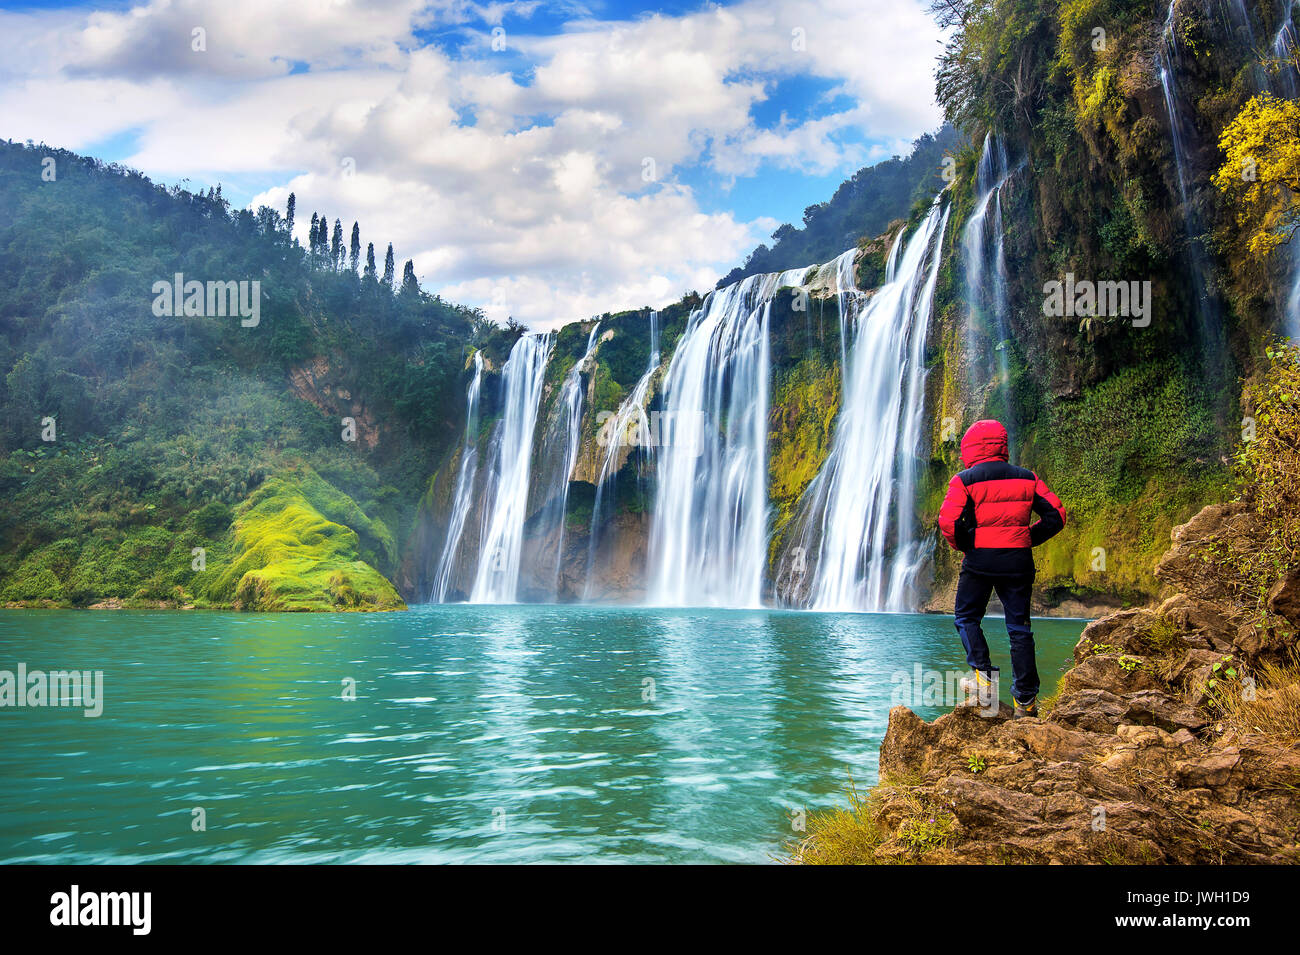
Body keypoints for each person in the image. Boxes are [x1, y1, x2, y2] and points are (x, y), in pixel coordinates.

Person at [937, 419, 1066, 718]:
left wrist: (967, 544)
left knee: (967, 616)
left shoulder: (964, 480)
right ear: (1002, 446)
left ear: (970, 448)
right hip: (1018, 560)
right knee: (1019, 628)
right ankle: (1026, 701)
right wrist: (1024, 537)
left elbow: (949, 522)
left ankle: (982, 676)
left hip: (980, 559)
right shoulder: (1027, 478)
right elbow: (1056, 516)